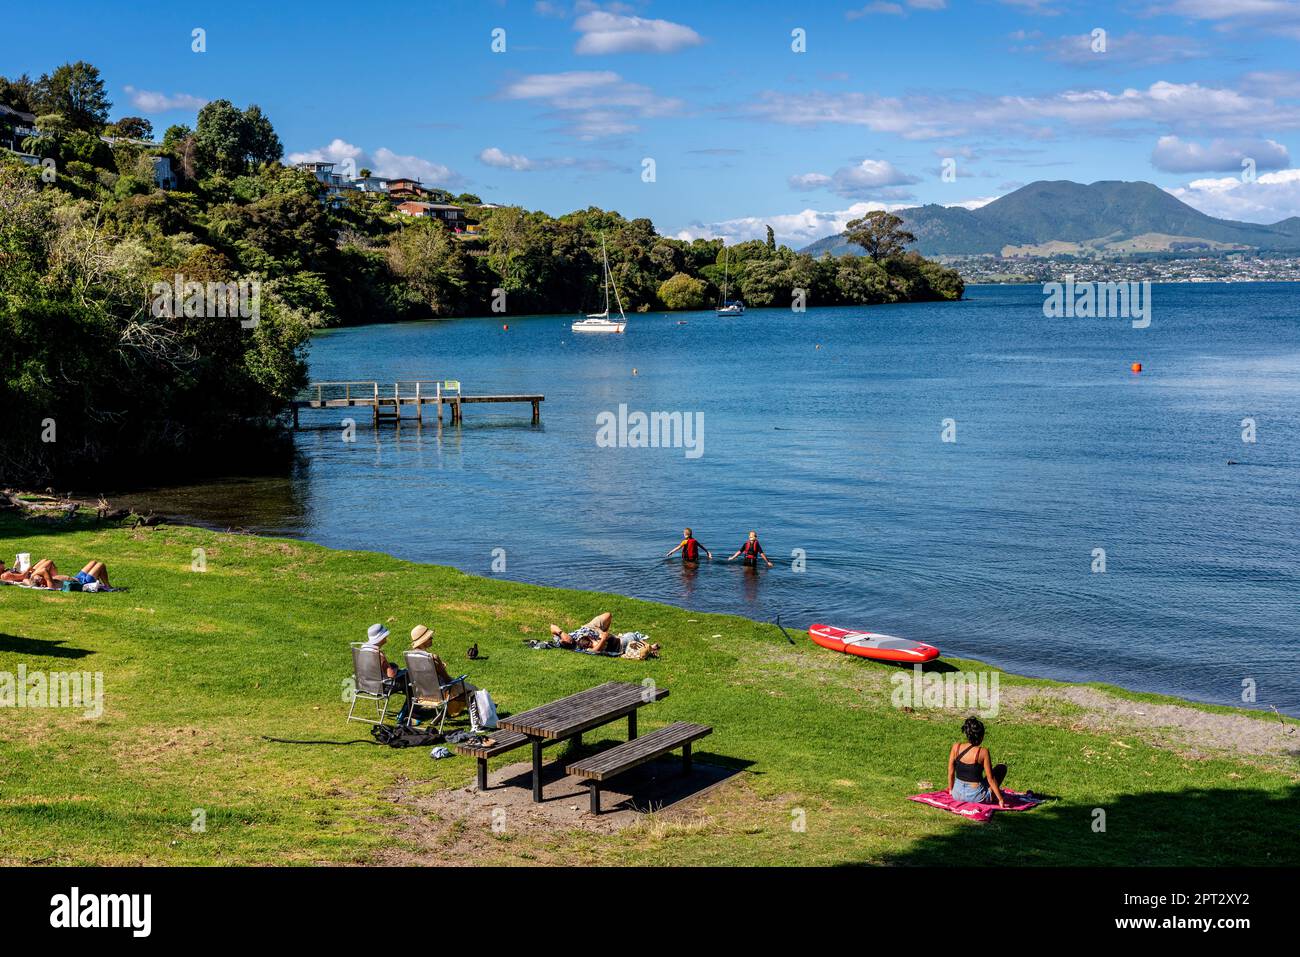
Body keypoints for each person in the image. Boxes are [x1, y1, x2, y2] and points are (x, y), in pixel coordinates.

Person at [947, 716, 1008, 808]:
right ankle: (994, 796)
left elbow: (951, 771)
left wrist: (951, 790)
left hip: (957, 794)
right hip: (977, 797)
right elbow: (990, 779)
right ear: (981, 736)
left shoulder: (956, 747)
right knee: (1001, 768)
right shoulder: (983, 752)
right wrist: (1000, 799)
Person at [550, 612, 660, 656]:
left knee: (608, 615)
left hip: (588, 629)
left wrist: (559, 631)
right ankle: (650, 647)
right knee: (634, 643)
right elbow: (594, 651)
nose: (567, 637)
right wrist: (603, 639)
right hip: (623, 641)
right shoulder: (575, 645)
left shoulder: (560, 635)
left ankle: (648, 646)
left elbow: (552, 626)